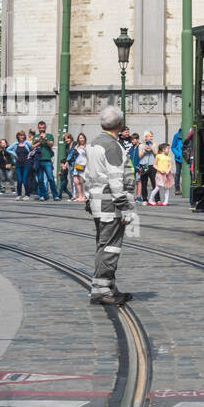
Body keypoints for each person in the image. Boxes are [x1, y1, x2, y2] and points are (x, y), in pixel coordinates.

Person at [85, 106, 136, 305]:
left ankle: (108, 286)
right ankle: (102, 291)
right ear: (120, 125)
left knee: (104, 245)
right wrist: (125, 207)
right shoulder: (113, 147)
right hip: (111, 205)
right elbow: (116, 181)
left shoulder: (94, 143)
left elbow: (88, 176)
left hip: (98, 203)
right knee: (110, 248)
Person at [33, 125, 57, 202]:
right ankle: (44, 195)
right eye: (40, 128)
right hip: (38, 161)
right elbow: (32, 147)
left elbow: (51, 144)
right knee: (40, 180)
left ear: (45, 128)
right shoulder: (36, 136)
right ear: (38, 128)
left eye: (43, 128)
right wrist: (39, 140)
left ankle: (55, 195)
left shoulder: (49, 136)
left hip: (47, 160)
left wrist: (45, 139)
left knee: (50, 178)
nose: (42, 129)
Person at [137, 132, 156, 204]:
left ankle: (157, 199)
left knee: (154, 183)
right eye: (150, 136)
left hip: (152, 165)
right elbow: (140, 156)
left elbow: (156, 154)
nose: (152, 138)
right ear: (146, 137)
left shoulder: (154, 144)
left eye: (152, 136)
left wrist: (151, 149)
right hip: (143, 165)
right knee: (144, 183)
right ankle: (145, 199)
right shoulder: (141, 145)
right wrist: (144, 150)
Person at [11, 131, 30, 198]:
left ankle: (27, 194)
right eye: (20, 135)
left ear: (24, 136)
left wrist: (29, 155)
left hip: (26, 164)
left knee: (24, 180)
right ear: (18, 136)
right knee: (19, 180)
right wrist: (14, 154)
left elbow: (33, 149)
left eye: (23, 135)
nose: (21, 137)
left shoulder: (27, 143)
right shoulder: (15, 144)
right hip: (18, 164)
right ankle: (19, 194)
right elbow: (8, 149)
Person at [71, 133, 88, 203]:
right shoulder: (76, 146)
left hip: (83, 165)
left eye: (82, 138)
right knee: (75, 181)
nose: (81, 139)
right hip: (76, 165)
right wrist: (75, 148)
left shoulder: (87, 147)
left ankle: (83, 196)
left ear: (84, 139)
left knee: (81, 181)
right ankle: (79, 196)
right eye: (80, 138)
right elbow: (73, 154)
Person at [57, 133, 74, 200]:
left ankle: (60, 196)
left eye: (68, 138)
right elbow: (67, 156)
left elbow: (71, 154)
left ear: (71, 138)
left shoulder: (75, 143)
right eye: (65, 139)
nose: (66, 140)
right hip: (71, 164)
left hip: (76, 163)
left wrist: (66, 164)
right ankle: (73, 194)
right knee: (73, 179)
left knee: (77, 180)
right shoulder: (66, 146)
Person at [171, 127, 184, 193]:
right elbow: (173, 147)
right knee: (178, 173)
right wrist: (178, 154)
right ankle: (177, 188)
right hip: (179, 158)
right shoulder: (177, 135)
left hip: (187, 158)